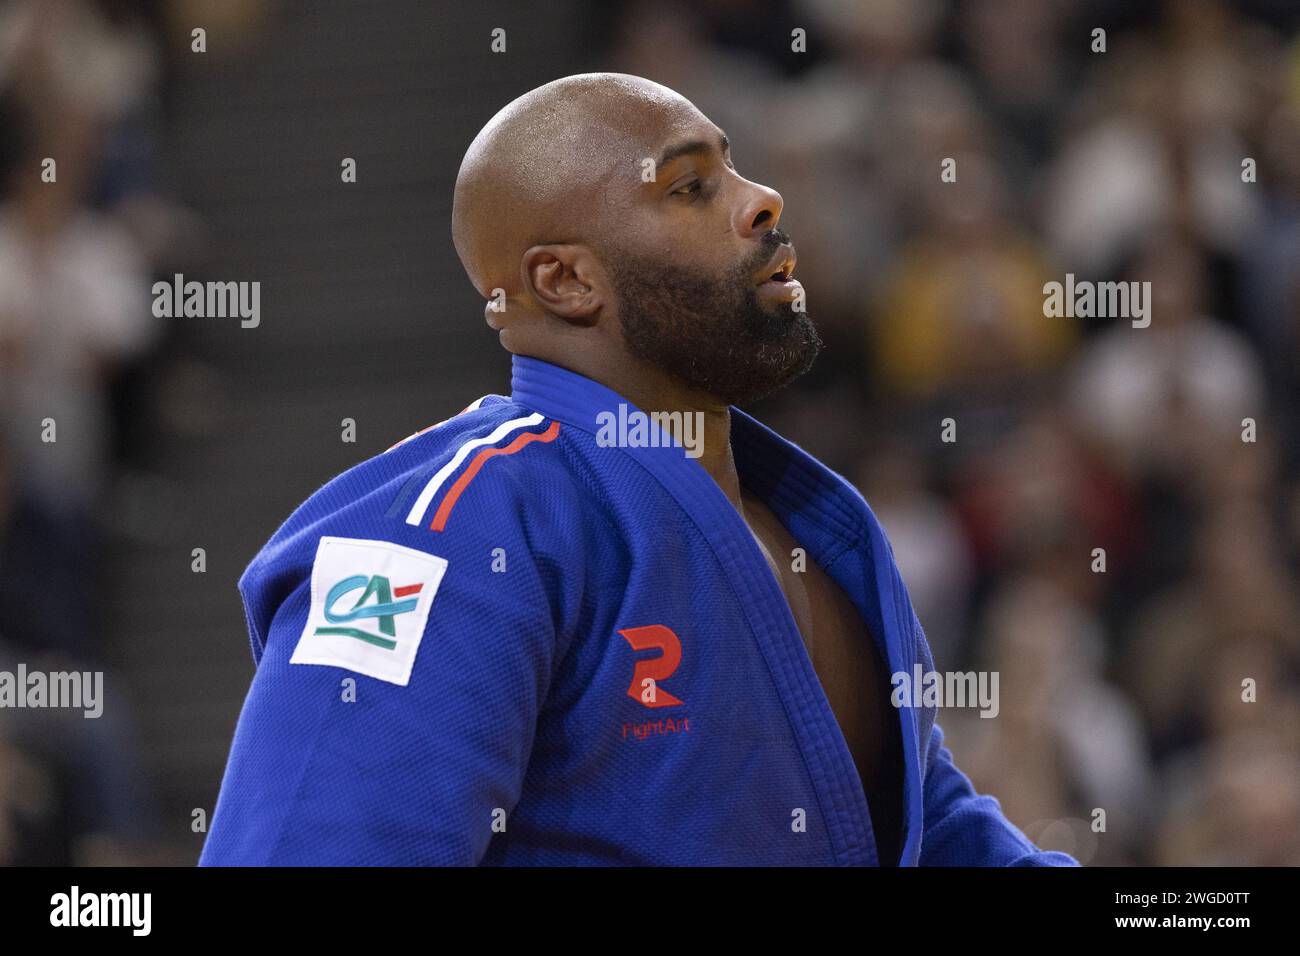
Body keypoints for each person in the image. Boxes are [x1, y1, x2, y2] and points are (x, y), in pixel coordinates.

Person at [199, 73, 1077, 866]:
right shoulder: (450, 527)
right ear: (567, 281)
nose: (764, 200)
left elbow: (933, 837)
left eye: (735, 171)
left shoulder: (811, 524)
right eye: (690, 188)